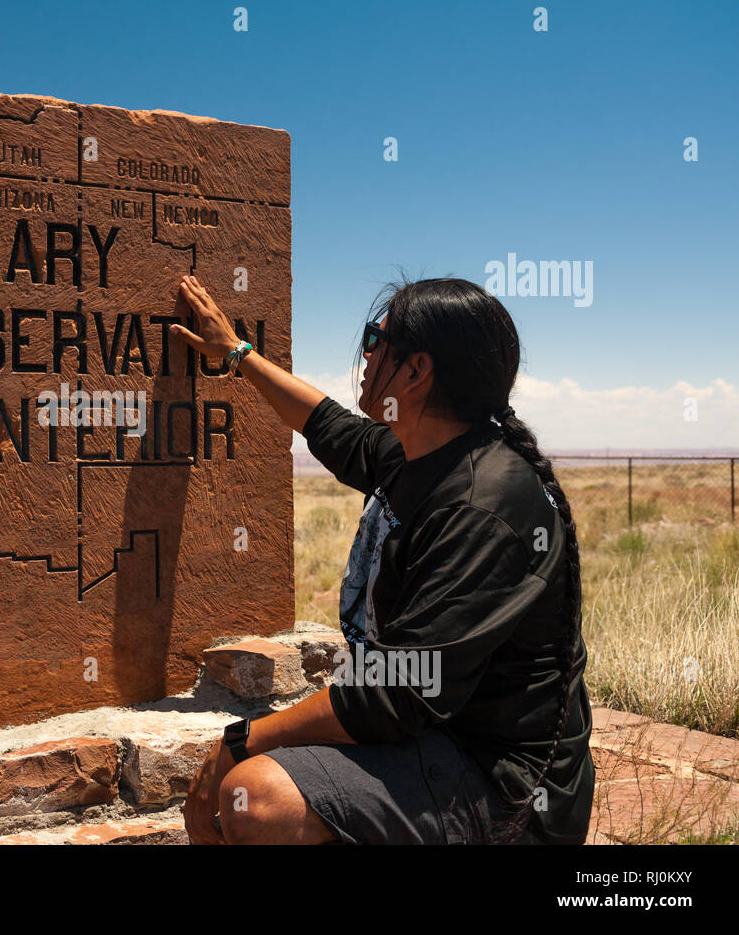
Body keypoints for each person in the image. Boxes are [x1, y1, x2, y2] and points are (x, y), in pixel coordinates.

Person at [172, 273, 594, 845]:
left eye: (376, 339)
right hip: (433, 736)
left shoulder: (480, 507)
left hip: (501, 790)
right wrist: (238, 354)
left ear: (417, 371)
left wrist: (240, 741)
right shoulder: (420, 452)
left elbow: (394, 695)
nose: (364, 355)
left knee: (257, 799)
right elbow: (327, 425)